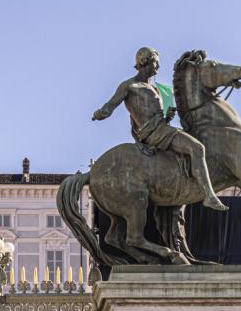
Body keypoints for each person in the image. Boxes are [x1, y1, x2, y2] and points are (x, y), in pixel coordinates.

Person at [92, 46, 230, 212]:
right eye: (155, 63)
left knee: (191, 146)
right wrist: (101, 113)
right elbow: (110, 106)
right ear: (144, 62)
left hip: (162, 128)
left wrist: (168, 117)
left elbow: (153, 115)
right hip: (154, 134)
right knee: (197, 148)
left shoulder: (154, 88)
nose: (157, 67)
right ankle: (209, 195)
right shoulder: (130, 86)